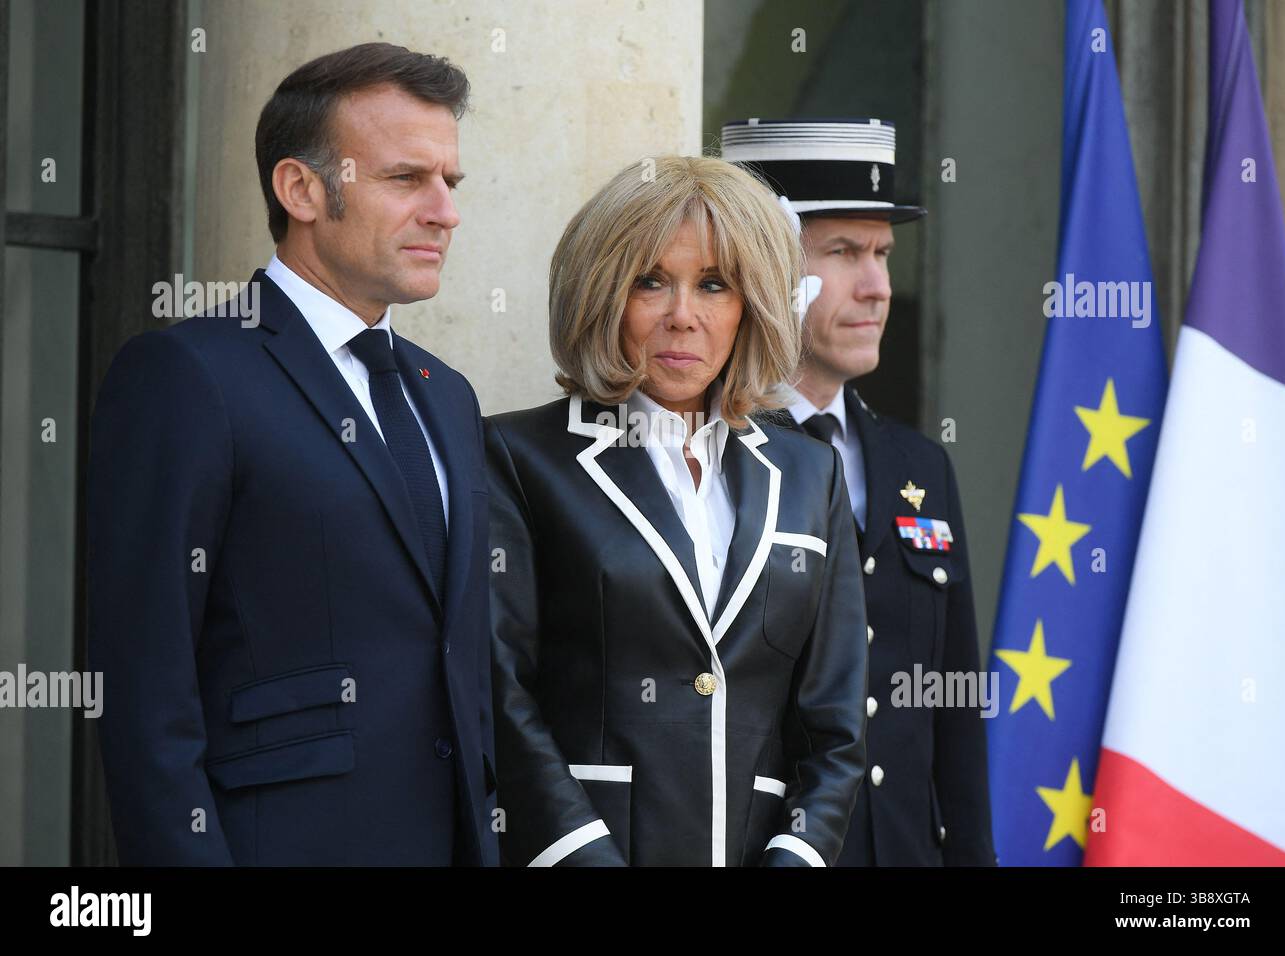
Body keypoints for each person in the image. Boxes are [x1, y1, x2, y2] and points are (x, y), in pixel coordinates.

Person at [88, 43, 496, 866]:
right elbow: (143, 697)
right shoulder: (188, 375)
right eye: (405, 178)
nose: (444, 211)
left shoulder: (445, 395)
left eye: (450, 182)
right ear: (301, 189)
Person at [487, 155, 869, 867]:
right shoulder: (518, 457)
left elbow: (836, 723)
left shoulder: (810, 470)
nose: (682, 317)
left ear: (750, 303)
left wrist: (797, 857)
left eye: (715, 285)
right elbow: (502, 695)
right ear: (602, 293)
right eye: (650, 281)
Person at [723, 117, 995, 866]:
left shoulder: (919, 465)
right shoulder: (710, 452)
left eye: (881, 254)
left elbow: (954, 705)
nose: (877, 286)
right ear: (766, 265)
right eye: (843, 252)